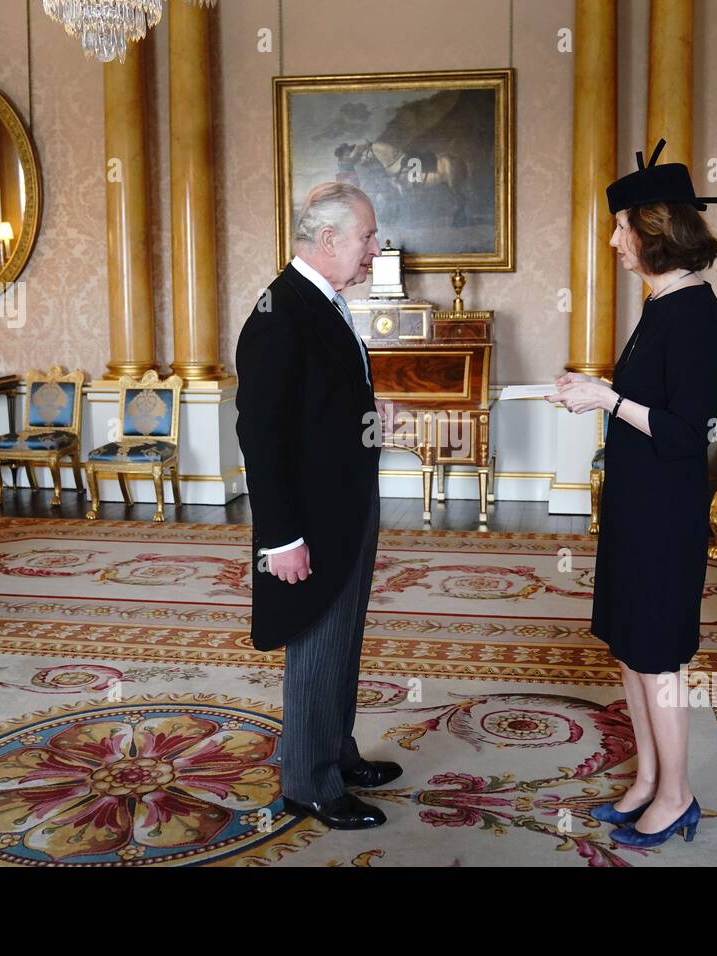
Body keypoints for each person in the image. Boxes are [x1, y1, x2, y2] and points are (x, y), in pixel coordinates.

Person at [549, 139, 717, 848]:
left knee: (658, 656)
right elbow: (647, 404)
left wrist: (606, 399)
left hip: (665, 513)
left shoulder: (693, 311)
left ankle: (677, 795)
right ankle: (648, 779)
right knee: (630, 648)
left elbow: (685, 432)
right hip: (635, 505)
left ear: (654, 232)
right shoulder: (662, 304)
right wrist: (598, 393)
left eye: (622, 228)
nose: (614, 241)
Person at [234, 182, 401, 830]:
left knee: (343, 640)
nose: (375, 249)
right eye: (367, 236)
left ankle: (337, 752)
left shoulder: (322, 301)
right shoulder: (279, 312)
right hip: (309, 521)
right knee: (316, 644)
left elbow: (317, 401)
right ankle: (309, 783)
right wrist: (280, 540)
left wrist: (367, 409)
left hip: (346, 507)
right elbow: (261, 435)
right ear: (329, 239)